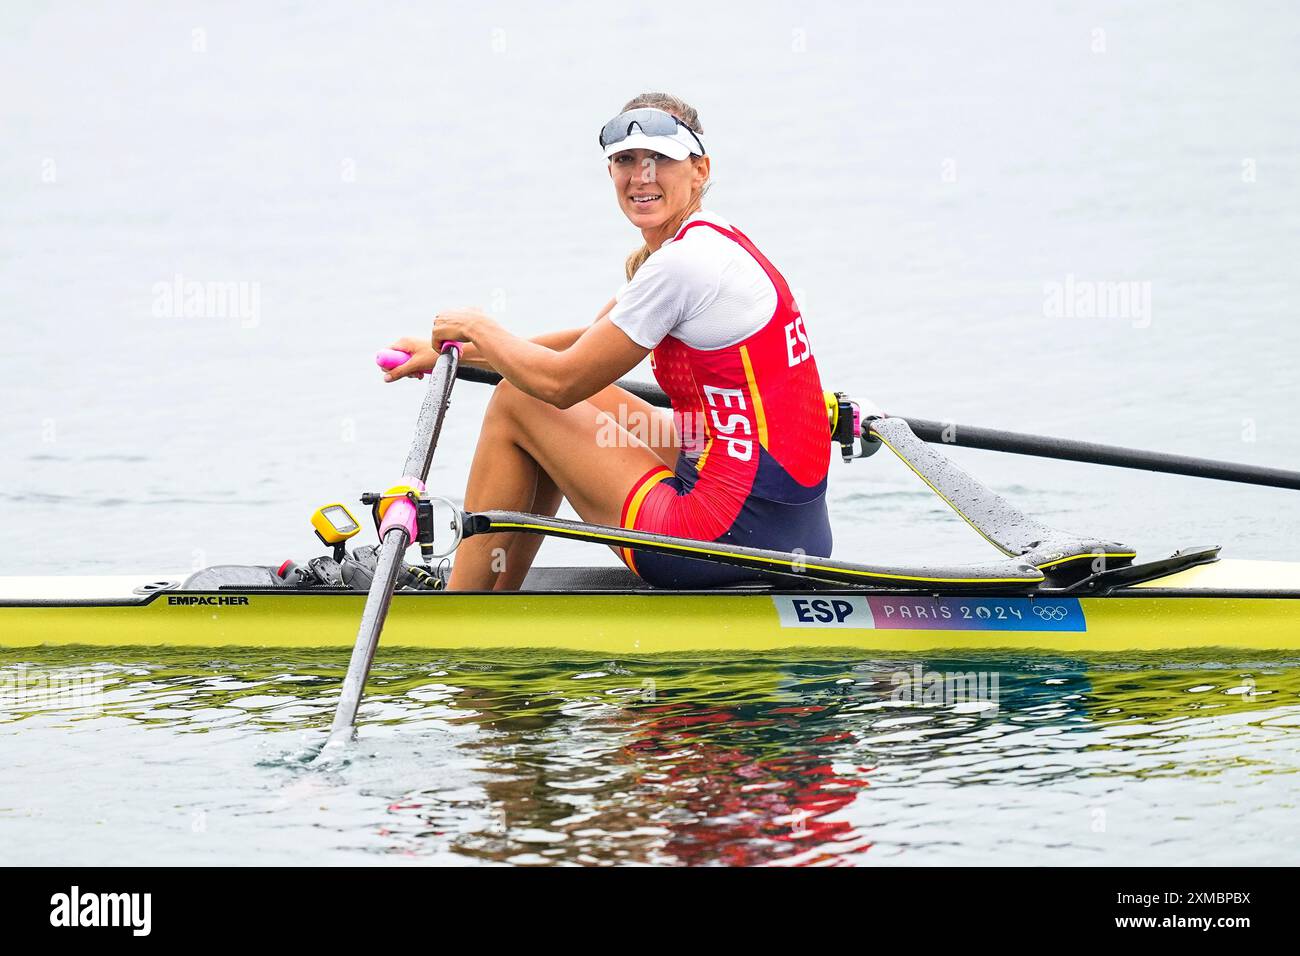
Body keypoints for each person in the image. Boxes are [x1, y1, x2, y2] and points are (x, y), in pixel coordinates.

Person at [385, 92, 831, 590]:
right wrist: (451, 356)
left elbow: (560, 381)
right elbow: (588, 343)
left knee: (522, 399)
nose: (641, 176)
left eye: (660, 158)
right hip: (795, 529)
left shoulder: (682, 266)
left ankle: (460, 609)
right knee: (565, 398)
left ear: (700, 169)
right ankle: (494, 593)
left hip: (725, 533)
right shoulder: (711, 241)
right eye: (625, 161)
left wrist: (478, 328)